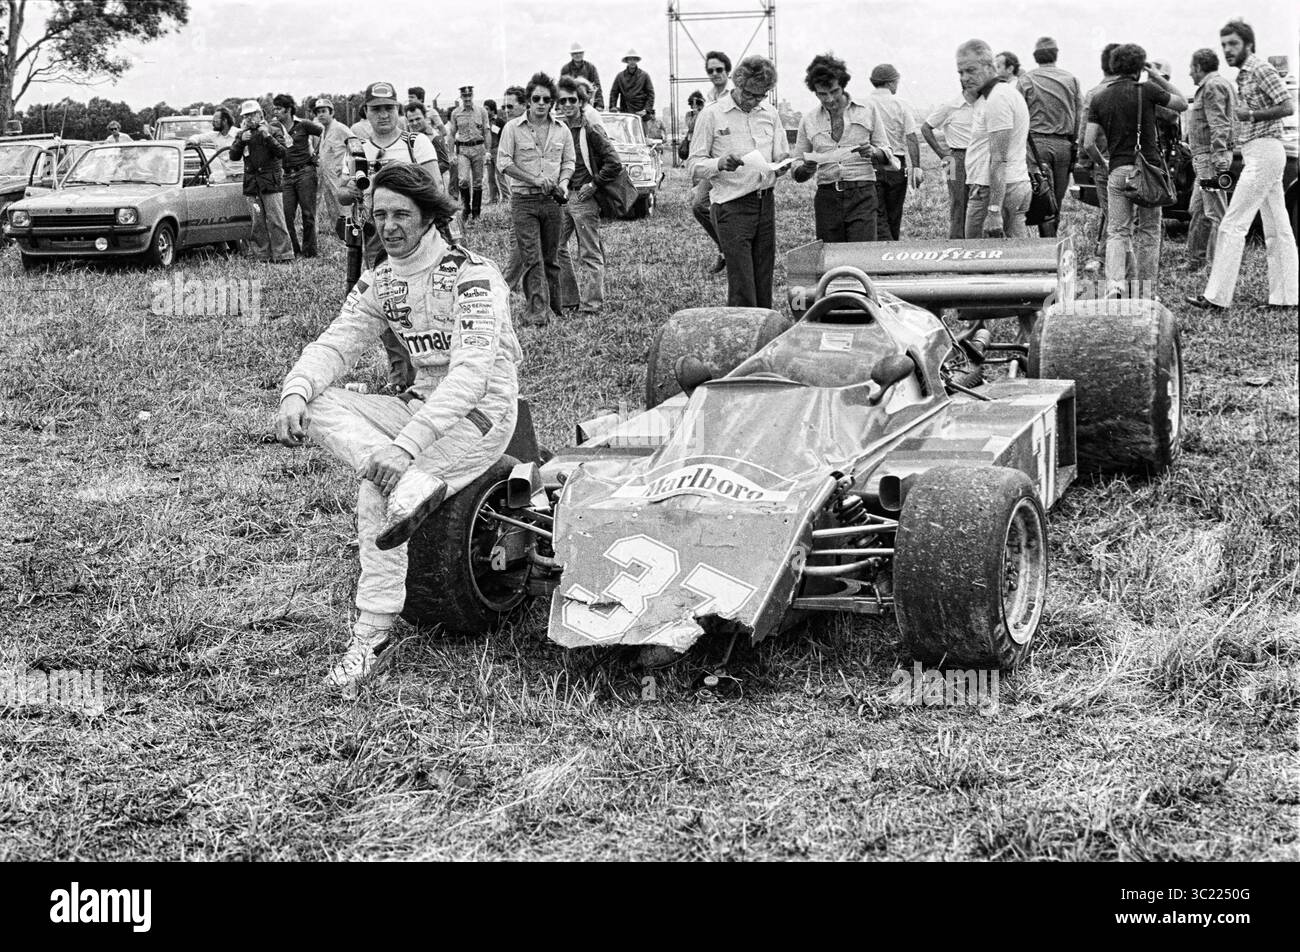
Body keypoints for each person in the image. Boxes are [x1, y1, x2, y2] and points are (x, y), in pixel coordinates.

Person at [274, 163, 522, 690]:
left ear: (429, 215)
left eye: (401, 214)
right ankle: (408, 482)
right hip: (418, 407)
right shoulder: (381, 278)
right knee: (315, 401)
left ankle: (373, 633)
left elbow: (472, 376)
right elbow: (337, 343)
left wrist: (406, 448)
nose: (388, 225)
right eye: (379, 214)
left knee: (375, 491)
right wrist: (295, 388)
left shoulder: (474, 275)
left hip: (482, 416)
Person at [1189, 20, 1297, 309]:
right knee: (1277, 228)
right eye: (1224, 44)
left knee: (1232, 224)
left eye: (1233, 44)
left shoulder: (1260, 69)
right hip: (1261, 152)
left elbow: (1288, 106)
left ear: (1248, 44)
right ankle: (1287, 297)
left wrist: (1250, 114)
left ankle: (1216, 297)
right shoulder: (1244, 74)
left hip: (1264, 152)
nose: (1227, 50)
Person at [687, 54, 789, 308]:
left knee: (763, 276)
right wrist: (719, 163)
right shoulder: (712, 115)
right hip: (731, 206)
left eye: (761, 95)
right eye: (750, 94)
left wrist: (783, 165)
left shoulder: (770, 114)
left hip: (765, 203)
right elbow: (693, 165)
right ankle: (743, 337)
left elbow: (781, 154)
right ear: (737, 84)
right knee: (742, 281)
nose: (754, 101)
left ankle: (765, 332)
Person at [1086, 43, 1187, 297]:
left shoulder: (1100, 97)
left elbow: (1088, 143)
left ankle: (1115, 285)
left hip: (1117, 169)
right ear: (1140, 65)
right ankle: (1146, 290)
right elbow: (1182, 103)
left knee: (1117, 230)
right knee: (1149, 230)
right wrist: (1154, 75)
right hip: (1148, 170)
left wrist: (1103, 162)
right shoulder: (1148, 90)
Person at [497, 71, 575, 326]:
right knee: (532, 257)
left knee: (552, 258)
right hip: (524, 201)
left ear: (551, 102)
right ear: (528, 101)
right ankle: (536, 313)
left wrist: (563, 183)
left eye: (546, 99)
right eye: (536, 98)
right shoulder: (512, 128)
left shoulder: (561, 130)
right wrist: (534, 179)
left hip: (552, 202)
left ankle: (555, 308)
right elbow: (504, 163)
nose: (541, 103)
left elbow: (569, 162)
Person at [338, 81, 441, 269]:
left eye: (389, 108)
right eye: (376, 109)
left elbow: (436, 189)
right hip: (375, 231)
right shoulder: (357, 149)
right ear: (366, 112)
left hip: (412, 228)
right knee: (381, 283)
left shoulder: (416, 143)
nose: (383, 115)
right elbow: (342, 196)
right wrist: (352, 190)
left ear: (397, 109)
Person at [792, 53, 892, 242]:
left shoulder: (868, 110)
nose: (829, 99)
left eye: (834, 91)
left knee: (862, 258)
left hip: (863, 193)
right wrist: (805, 168)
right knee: (831, 259)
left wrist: (873, 152)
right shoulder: (808, 120)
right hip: (827, 197)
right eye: (822, 94)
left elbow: (887, 152)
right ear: (814, 91)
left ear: (843, 86)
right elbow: (796, 165)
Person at [556, 75, 621, 314]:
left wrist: (594, 184)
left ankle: (592, 304)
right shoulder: (559, 130)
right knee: (556, 247)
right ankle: (570, 299)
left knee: (589, 252)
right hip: (563, 197)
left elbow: (614, 162)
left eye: (572, 100)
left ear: (581, 102)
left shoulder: (590, 129)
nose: (567, 105)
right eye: (562, 101)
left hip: (584, 199)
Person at [958, 38, 1032, 239]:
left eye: (971, 70)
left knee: (977, 259)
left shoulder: (998, 98)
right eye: (961, 72)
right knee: (1015, 257)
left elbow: (999, 158)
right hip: (1008, 185)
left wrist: (993, 209)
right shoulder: (997, 95)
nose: (964, 78)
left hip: (993, 190)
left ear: (990, 67)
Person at [1018, 37, 1082, 238]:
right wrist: (1074, 144)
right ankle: (1051, 245)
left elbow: (1017, 115)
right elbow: (1079, 114)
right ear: (1056, 54)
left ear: (1036, 56)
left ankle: (1047, 246)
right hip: (1064, 145)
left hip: (1035, 146)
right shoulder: (1071, 79)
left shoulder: (1026, 80)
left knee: (1043, 198)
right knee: (1057, 202)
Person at [1184, 49, 1235, 271]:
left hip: (1209, 158)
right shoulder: (1218, 84)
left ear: (1198, 67)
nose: (1189, 73)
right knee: (1198, 210)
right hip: (1206, 158)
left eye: (1191, 68)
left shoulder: (1212, 86)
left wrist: (1218, 156)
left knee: (1215, 213)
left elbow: (1219, 124)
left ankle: (1219, 267)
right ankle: (1196, 260)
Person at [229, 99, 293, 263]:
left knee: (276, 220)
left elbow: (282, 153)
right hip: (252, 184)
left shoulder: (274, 129)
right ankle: (261, 255)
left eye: (252, 114)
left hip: (270, 183)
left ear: (260, 114)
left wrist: (267, 136)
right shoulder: (242, 133)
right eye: (246, 115)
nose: (249, 118)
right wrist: (241, 140)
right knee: (257, 222)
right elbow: (233, 156)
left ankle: (283, 254)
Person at [866, 63, 921, 240]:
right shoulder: (901, 105)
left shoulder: (864, 104)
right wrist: (917, 167)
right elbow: (911, 137)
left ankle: (882, 252)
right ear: (891, 83)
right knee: (894, 213)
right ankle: (891, 249)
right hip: (897, 163)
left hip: (872, 161)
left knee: (877, 212)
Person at [693, 50, 735, 274]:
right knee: (699, 205)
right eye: (710, 70)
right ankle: (725, 248)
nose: (715, 74)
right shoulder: (709, 99)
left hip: (735, 162)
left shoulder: (735, 94)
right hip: (714, 163)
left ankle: (729, 249)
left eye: (719, 70)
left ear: (728, 71)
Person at [271, 94, 323, 258]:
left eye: (278, 109)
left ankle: (309, 251)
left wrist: (317, 153)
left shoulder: (304, 125)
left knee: (308, 214)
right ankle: (293, 249)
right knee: (286, 215)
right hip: (286, 175)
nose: (275, 112)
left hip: (305, 172)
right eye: (275, 108)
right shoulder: (274, 127)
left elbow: (324, 133)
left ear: (288, 110)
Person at [922, 89, 976, 239]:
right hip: (954, 159)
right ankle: (957, 241)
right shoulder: (949, 106)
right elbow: (925, 128)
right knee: (958, 201)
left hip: (978, 156)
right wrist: (942, 154)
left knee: (978, 201)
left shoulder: (983, 105)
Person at [450, 85, 491, 221]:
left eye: (469, 95)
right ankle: (466, 209)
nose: (467, 98)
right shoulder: (456, 113)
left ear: (472, 95)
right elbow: (451, 134)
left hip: (478, 149)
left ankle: (476, 212)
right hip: (463, 150)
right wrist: (451, 153)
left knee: (478, 182)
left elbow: (486, 131)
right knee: (463, 180)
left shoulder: (481, 111)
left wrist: (488, 151)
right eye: (464, 96)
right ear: (461, 97)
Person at [608, 49, 655, 128]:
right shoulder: (620, 76)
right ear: (627, 61)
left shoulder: (644, 75)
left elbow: (651, 94)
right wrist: (613, 106)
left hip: (640, 112)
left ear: (637, 61)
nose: (632, 61)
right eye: (630, 59)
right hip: (625, 112)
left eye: (634, 59)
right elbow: (614, 93)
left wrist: (646, 110)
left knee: (641, 135)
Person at [560, 42, 604, 110]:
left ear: (583, 53)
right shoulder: (565, 69)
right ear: (571, 55)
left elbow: (597, 86)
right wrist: (558, 107)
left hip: (588, 102)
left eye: (580, 53)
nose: (578, 55)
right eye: (575, 53)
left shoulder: (591, 67)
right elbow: (561, 88)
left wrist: (600, 105)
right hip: (571, 101)